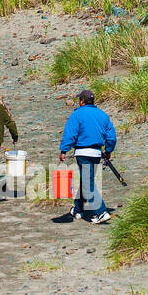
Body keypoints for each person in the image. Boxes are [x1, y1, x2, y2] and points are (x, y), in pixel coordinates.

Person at [56, 89, 116, 223]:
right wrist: (108, 150)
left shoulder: (77, 114)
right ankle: (77, 210)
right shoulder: (103, 115)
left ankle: (101, 212)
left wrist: (63, 150)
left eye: (79, 100)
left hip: (83, 153)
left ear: (82, 101)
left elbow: (70, 134)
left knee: (87, 182)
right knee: (86, 180)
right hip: (96, 153)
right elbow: (111, 136)